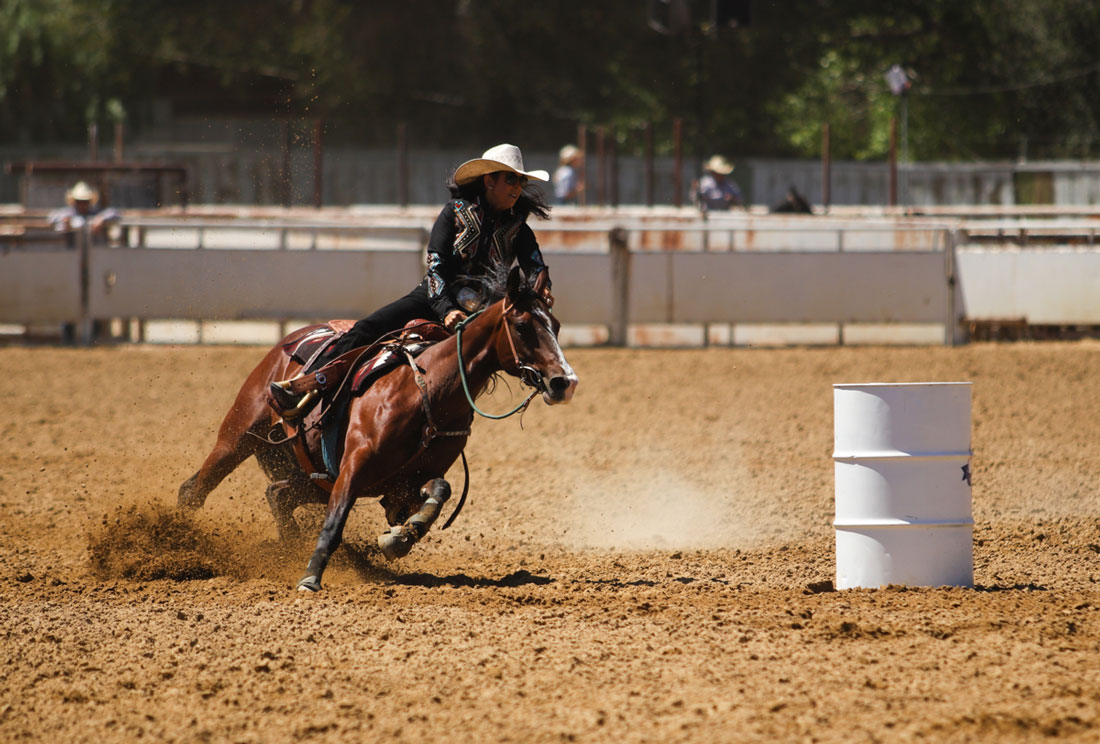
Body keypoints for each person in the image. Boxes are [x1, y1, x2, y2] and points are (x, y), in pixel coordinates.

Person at [269, 143, 554, 416]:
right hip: (434, 300)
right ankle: (310, 381)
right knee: (369, 328)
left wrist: (544, 288)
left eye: (521, 182)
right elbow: (436, 266)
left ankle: (552, 380)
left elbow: (536, 267)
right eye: (511, 179)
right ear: (489, 181)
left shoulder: (520, 230)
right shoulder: (453, 213)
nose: (518, 188)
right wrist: (446, 310)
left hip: (481, 313)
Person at [48, 181, 121, 245]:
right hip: (71, 252)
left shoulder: (94, 213)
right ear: (74, 201)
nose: (82, 205)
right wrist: (65, 221)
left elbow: (114, 213)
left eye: (85, 201)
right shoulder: (68, 213)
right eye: (79, 201)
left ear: (89, 202)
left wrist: (102, 218)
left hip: (93, 252)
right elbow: (52, 217)